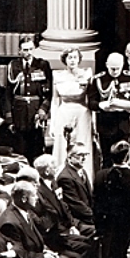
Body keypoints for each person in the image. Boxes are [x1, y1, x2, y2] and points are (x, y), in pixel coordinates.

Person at [50, 48, 94, 181]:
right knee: (62, 146)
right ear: (65, 60)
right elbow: (55, 100)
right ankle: (60, 180)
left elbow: (90, 99)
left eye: (75, 57)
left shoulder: (86, 74)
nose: (72, 60)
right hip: (63, 112)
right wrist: (52, 124)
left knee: (82, 145)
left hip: (82, 113)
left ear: (79, 59)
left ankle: (85, 180)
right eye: (70, 57)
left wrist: (94, 124)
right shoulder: (57, 75)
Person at [87, 52, 130, 159]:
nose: (115, 71)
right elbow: (91, 102)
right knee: (107, 158)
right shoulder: (99, 79)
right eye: (112, 68)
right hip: (106, 125)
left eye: (118, 68)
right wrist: (102, 105)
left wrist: (128, 105)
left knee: (124, 158)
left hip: (123, 125)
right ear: (107, 65)